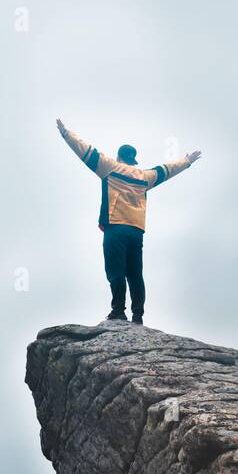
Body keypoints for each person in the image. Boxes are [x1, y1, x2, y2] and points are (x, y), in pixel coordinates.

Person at [56, 119, 201, 324]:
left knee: (116, 270)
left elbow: (85, 150)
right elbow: (167, 170)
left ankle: (118, 311)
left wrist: (66, 133)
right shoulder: (145, 176)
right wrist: (186, 160)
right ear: (134, 159)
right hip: (136, 230)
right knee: (135, 273)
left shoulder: (109, 167)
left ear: (118, 156)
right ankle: (138, 315)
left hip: (115, 227)